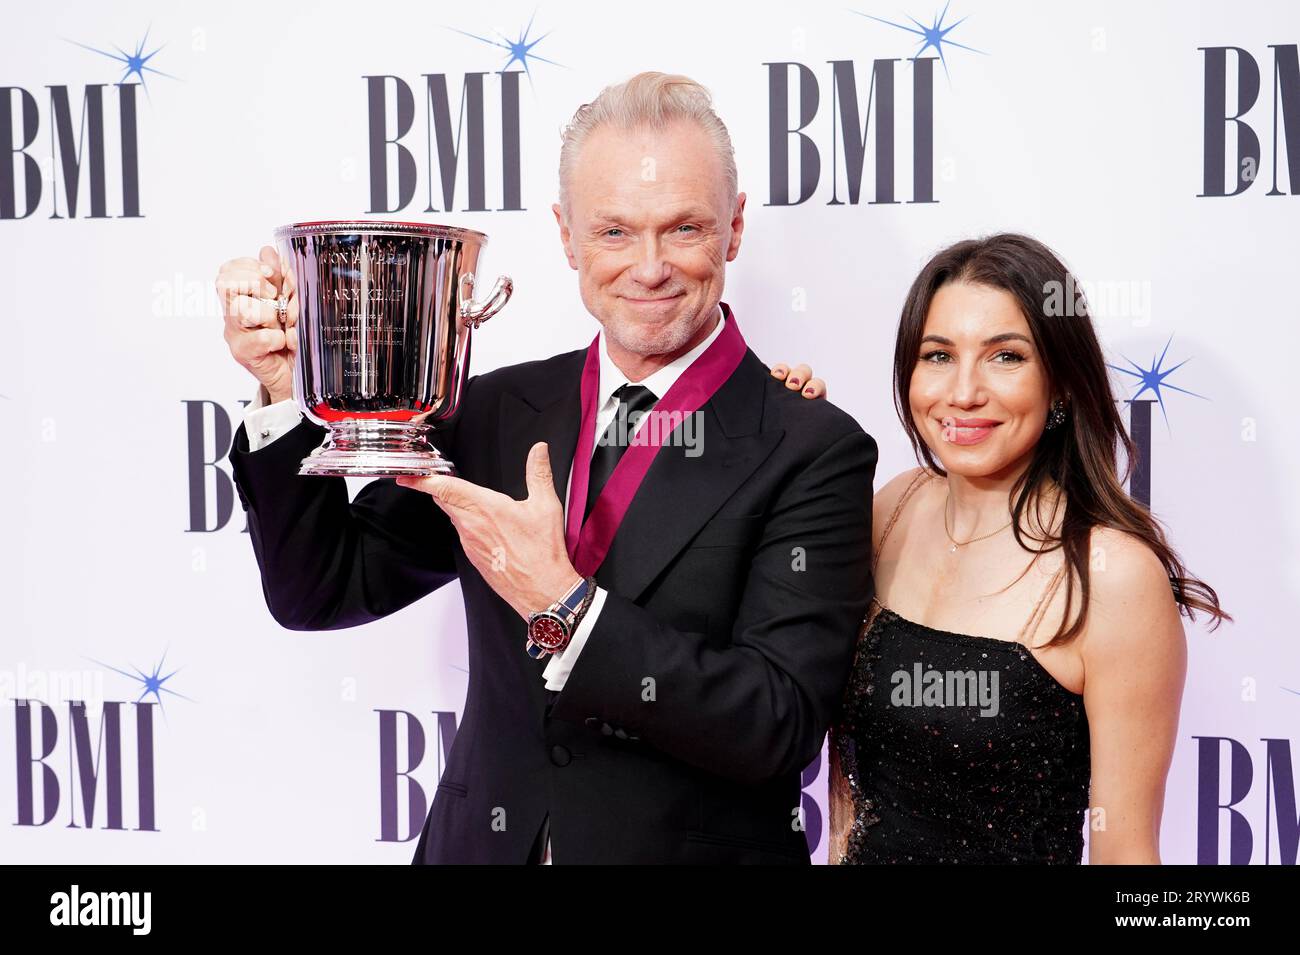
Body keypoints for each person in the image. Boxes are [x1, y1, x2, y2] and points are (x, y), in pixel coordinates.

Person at [215, 72, 876, 864]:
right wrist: (288, 394)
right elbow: (321, 589)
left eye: (685, 229)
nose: (650, 266)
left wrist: (567, 607)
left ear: (734, 228)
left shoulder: (812, 447)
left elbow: (779, 722)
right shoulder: (490, 409)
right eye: (614, 232)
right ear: (565, 235)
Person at [775, 233, 1229, 864]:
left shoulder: (1112, 577)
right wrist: (776, 434)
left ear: (1063, 383)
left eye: (1005, 357)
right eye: (938, 356)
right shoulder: (892, 509)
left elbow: (1125, 852)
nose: (963, 392)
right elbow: (847, 790)